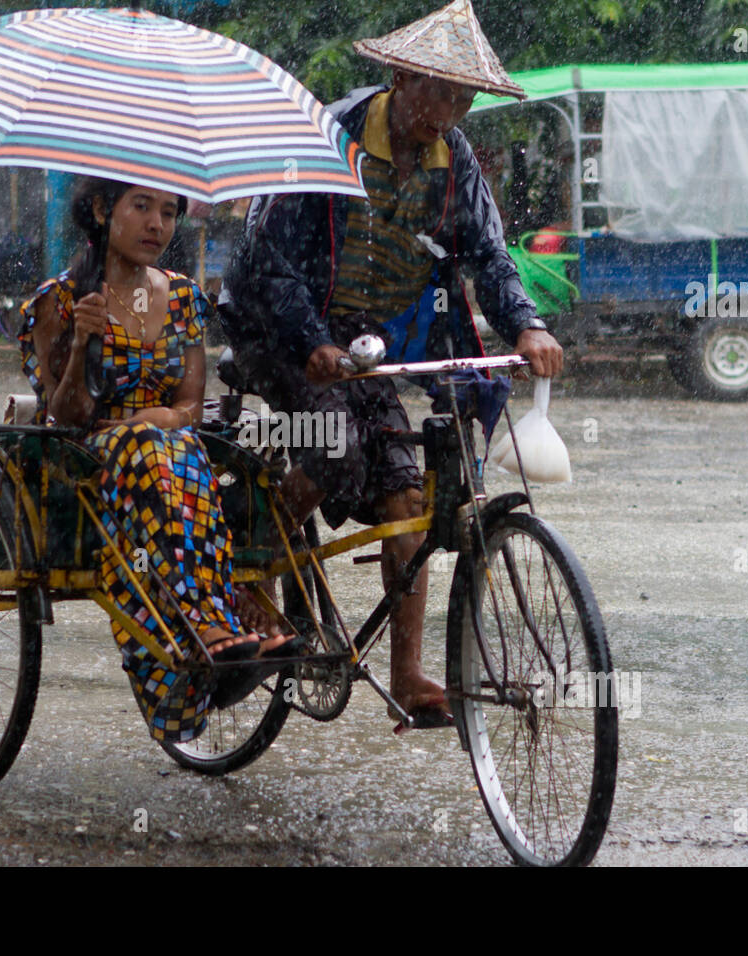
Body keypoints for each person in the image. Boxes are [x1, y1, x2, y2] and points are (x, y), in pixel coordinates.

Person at [219, 0, 564, 731]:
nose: (449, 111)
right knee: (337, 452)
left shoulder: (455, 159)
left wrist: (526, 325)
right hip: (275, 326)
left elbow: (488, 257)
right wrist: (309, 339)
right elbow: (266, 257)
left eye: (463, 98)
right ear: (402, 78)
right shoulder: (331, 132)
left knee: (411, 494)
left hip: (361, 342)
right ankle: (247, 561)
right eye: (439, 92)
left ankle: (407, 675)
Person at [18, 177, 297, 744]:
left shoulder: (183, 296)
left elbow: (190, 405)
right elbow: (64, 415)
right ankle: (209, 614)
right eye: (141, 207)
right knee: (150, 447)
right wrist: (79, 347)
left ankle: (222, 610)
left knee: (199, 446)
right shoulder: (59, 300)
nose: (156, 226)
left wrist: (161, 419)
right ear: (101, 210)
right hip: (90, 458)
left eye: (168, 213)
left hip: (169, 448)